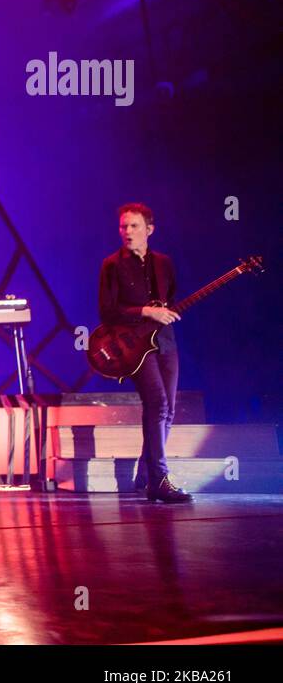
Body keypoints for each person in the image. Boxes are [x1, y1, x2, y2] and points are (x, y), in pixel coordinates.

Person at [99, 202, 192, 503]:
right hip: (134, 347)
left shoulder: (163, 263)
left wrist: (161, 313)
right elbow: (107, 310)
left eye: (134, 226)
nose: (127, 232)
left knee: (169, 410)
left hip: (165, 341)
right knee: (158, 402)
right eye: (123, 226)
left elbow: (170, 297)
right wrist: (145, 311)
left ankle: (148, 470)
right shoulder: (111, 264)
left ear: (149, 230)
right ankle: (160, 479)